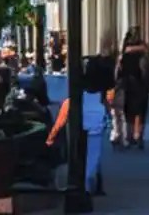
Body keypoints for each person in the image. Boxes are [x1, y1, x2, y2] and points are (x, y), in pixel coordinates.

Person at [46, 53, 115, 196]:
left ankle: (86, 188)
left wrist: (52, 136)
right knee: (91, 163)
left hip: (84, 130)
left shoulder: (76, 97)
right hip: (94, 130)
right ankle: (89, 188)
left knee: (82, 160)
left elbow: (62, 117)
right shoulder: (100, 95)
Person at [117, 27, 149, 149]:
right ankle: (138, 135)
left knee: (130, 110)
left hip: (129, 83)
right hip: (141, 83)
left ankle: (130, 135)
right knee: (140, 111)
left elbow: (119, 69)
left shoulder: (125, 50)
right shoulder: (145, 50)